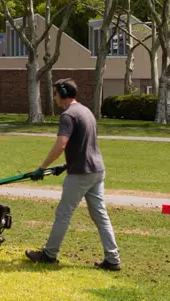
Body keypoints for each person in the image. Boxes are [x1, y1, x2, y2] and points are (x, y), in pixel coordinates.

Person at [25, 78, 121, 271]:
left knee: (63, 214)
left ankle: (49, 254)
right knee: (100, 216)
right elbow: (84, 145)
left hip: (81, 174)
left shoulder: (68, 115)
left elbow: (61, 145)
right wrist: (65, 165)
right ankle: (113, 259)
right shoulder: (86, 111)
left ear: (62, 94)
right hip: (97, 170)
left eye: (54, 93)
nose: (53, 98)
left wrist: (42, 167)